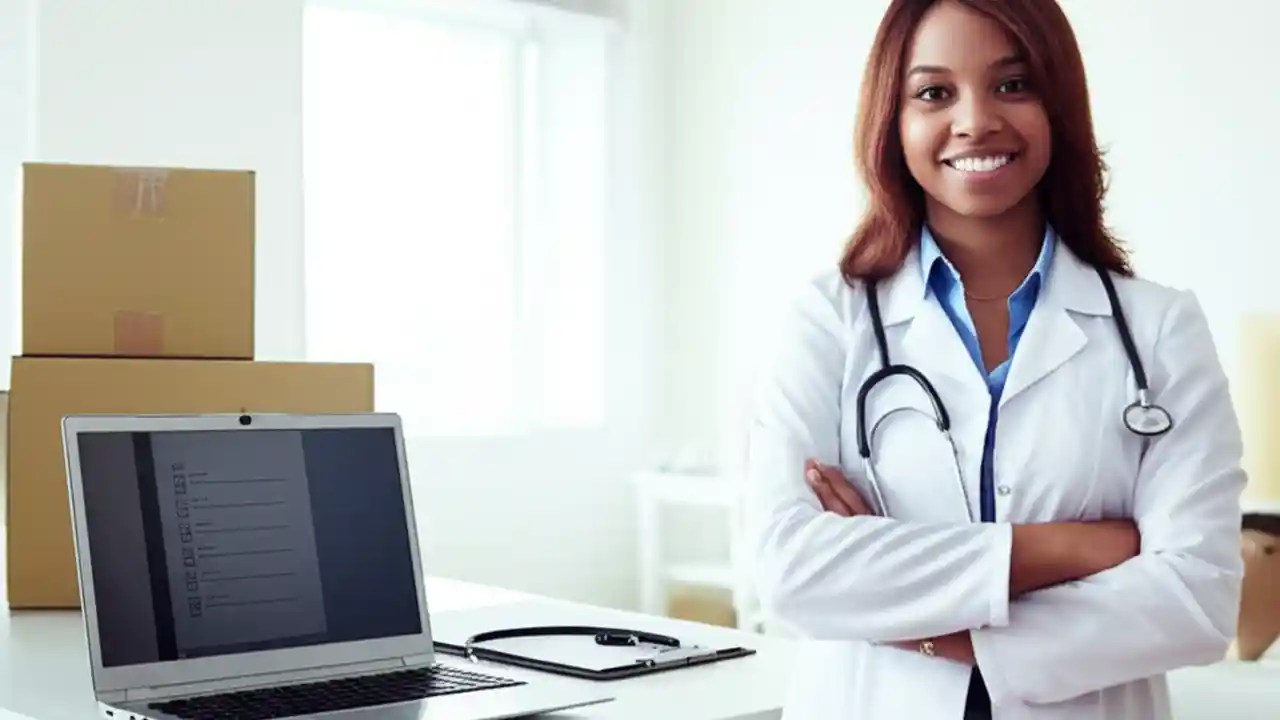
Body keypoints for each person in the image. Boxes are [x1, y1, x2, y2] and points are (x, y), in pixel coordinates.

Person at [745, 0, 1247, 718]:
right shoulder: (831, 319)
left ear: (1060, 105)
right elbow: (791, 571)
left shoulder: (1160, 328)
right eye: (934, 92)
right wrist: (1071, 549)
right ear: (894, 120)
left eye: (1013, 85)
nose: (975, 120)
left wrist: (922, 622)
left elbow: (1198, 598)